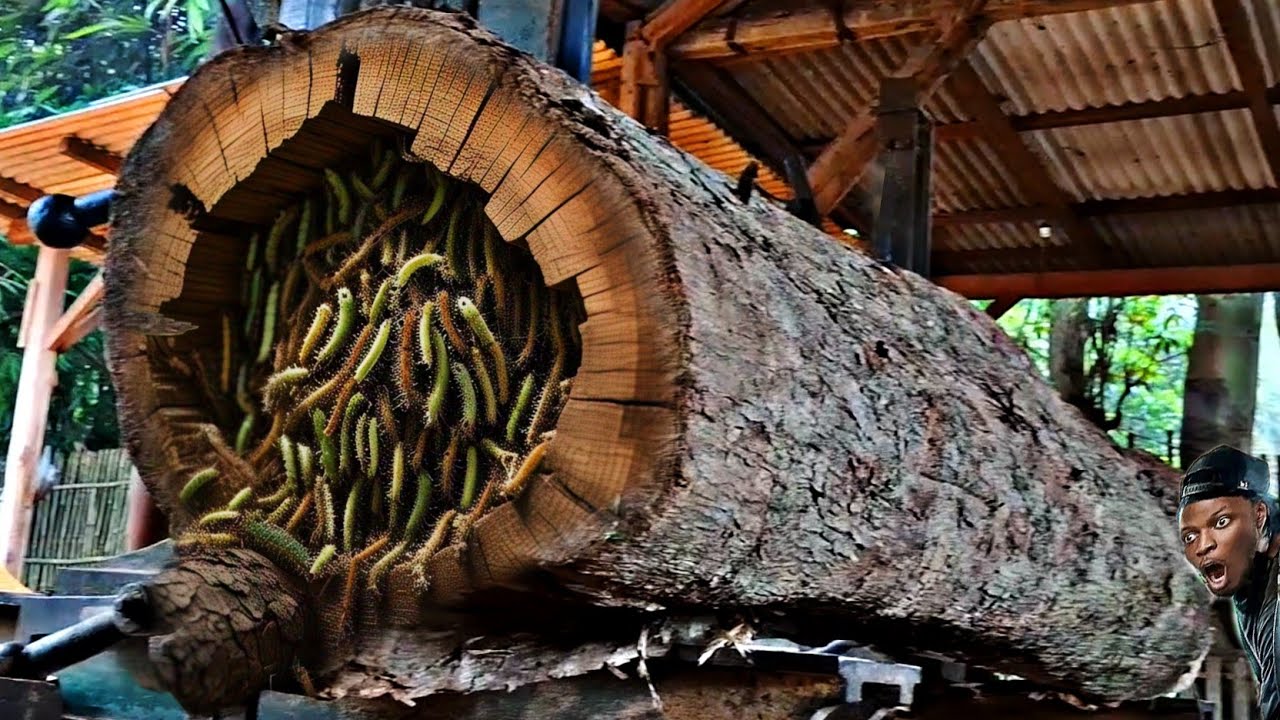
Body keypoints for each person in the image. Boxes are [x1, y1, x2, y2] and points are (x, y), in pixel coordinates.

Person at [1178, 445, 1279, 719]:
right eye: (1190, 536)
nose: (1203, 546)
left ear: (1259, 515)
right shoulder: (1249, 583)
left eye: (1221, 522)